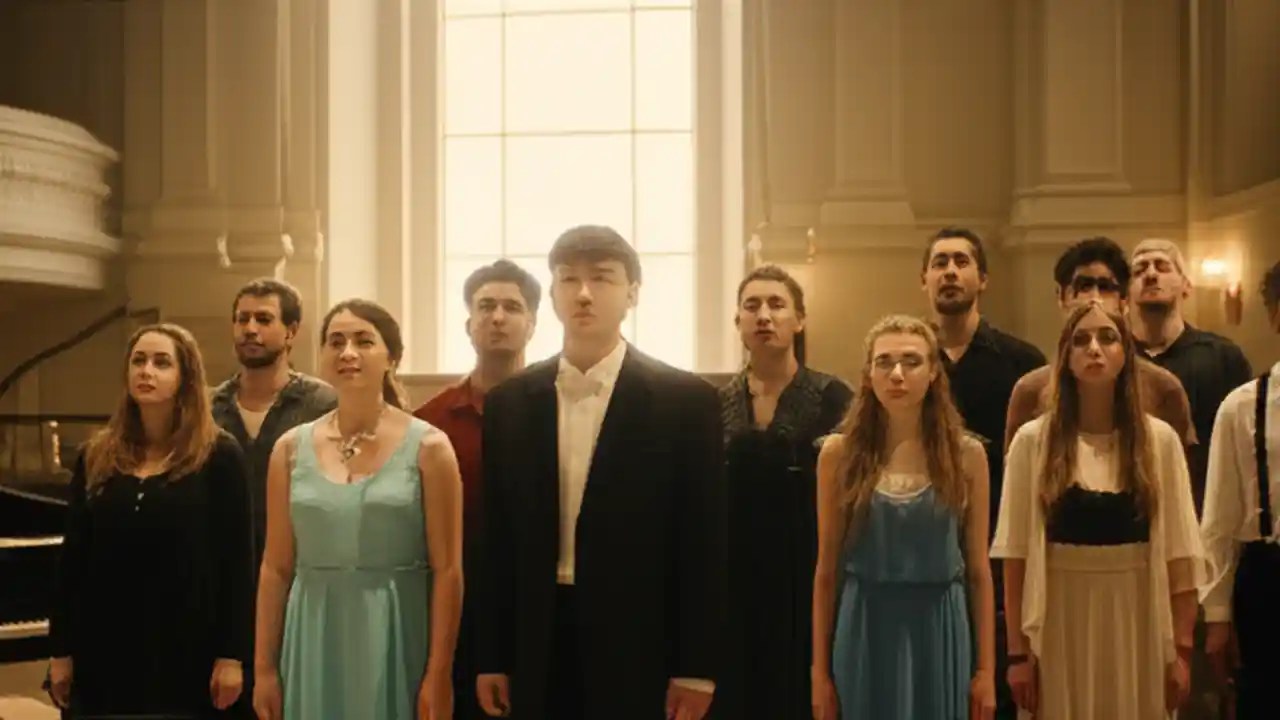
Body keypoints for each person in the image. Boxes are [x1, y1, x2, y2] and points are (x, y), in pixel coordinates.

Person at [475, 226, 725, 720]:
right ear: (552, 294)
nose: (584, 293)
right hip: (536, 635)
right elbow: (495, 538)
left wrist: (697, 667)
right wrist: (491, 656)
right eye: (569, 279)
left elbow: (702, 542)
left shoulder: (686, 401)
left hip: (641, 636)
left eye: (602, 278)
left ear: (632, 293)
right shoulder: (509, 402)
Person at [252, 299, 463, 720]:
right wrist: (264, 669)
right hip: (313, 629)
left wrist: (439, 673)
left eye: (364, 341)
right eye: (336, 342)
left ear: (392, 357)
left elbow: (448, 571)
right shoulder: (289, 449)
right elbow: (275, 568)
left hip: (394, 628)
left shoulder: (430, 447)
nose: (348, 352)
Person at [993, 304, 1205, 720]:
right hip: (1059, 617)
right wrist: (1018, 654)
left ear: (1126, 353)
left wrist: (1181, 650)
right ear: (1065, 356)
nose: (1094, 348)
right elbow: (1014, 557)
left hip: (1139, 615)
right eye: (1081, 340)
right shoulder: (1032, 443)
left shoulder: (1160, 442)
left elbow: (1181, 556)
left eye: (1108, 338)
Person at [48, 323, 255, 718]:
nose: (146, 371)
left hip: (189, 649)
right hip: (103, 649)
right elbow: (73, 559)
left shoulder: (219, 456)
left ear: (185, 377)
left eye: (162, 363)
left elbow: (237, 564)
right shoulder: (96, 454)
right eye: (138, 361)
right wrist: (61, 650)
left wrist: (233, 656)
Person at [811, 314, 996, 720]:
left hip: (939, 624)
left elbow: (979, 571)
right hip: (865, 624)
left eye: (911, 361)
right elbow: (827, 570)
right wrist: (819, 673)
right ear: (868, 373)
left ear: (933, 372)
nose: (897, 374)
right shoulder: (838, 454)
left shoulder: (966, 455)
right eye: (884, 362)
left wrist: (986, 672)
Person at [716, 264, 853, 720]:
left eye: (777, 305)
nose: (764, 316)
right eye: (751, 306)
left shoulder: (834, 397)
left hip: (807, 573)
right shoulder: (714, 403)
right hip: (733, 579)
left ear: (799, 319)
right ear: (737, 321)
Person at [921, 226, 1046, 718]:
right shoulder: (907, 362)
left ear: (983, 278)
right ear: (924, 279)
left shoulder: (1023, 364)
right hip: (926, 548)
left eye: (962, 262)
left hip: (1000, 550)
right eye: (939, 263)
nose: (950, 272)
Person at [414, 259, 540, 720]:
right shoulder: (430, 422)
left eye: (512, 307)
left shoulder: (557, 410)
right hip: (457, 610)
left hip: (535, 605)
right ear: (469, 323)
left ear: (532, 325)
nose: (498, 317)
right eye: (486, 306)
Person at [1005, 237, 1194, 451]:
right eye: (1084, 286)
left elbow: (1180, 467)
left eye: (1105, 287)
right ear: (1061, 297)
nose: (1094, 298)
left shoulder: (1163, 388)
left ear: (1124, 301)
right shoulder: (1031, 390)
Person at [1198, 260, 1280, 720]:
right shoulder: (1243, 405)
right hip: (1268, 580)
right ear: (1275, 315)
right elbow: (1220, 518)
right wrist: (1217, 614)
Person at [211, 277, 336, 562]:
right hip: (223, 562)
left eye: (264, 320)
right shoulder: (210, 408)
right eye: (243, 319)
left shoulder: (323, 405)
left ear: (291, 332)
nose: (250, 329)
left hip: (300, 561)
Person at [1128, 238, 1252, 511]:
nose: (1150, 274)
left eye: (1162, 266)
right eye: (1139, 270)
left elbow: (1244, 442)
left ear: (1186, 286)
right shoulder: (1116, 359)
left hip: (1203, 505)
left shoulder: (1223, 357)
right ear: (1127, 291)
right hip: (1130, 508)